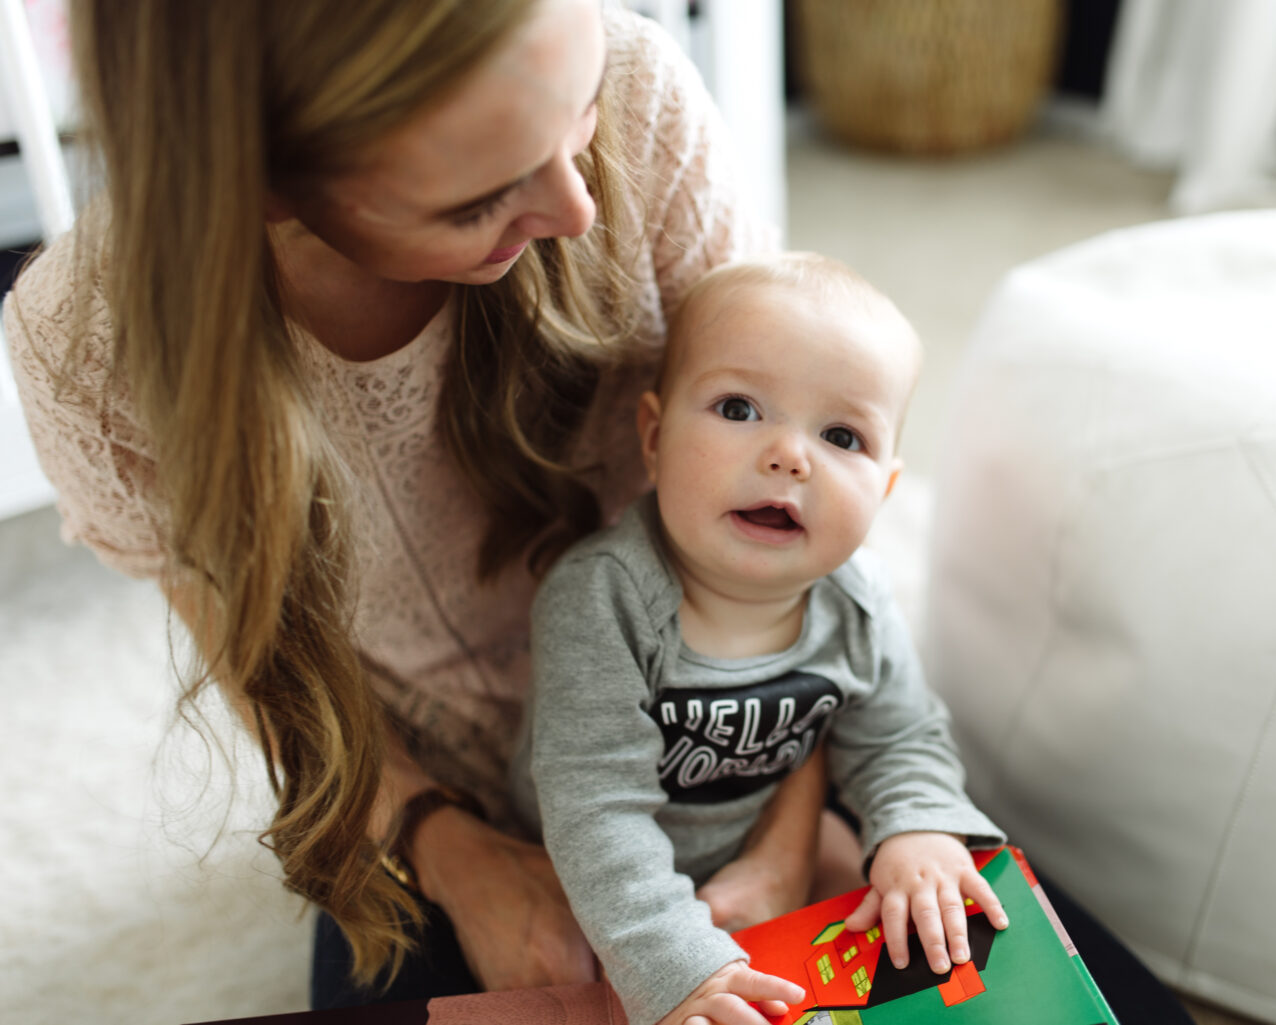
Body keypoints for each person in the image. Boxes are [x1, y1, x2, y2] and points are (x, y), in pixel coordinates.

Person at [2, 1, 1197, 1022]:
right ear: (266, 185)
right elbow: (263, 653)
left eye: (575, 122)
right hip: (437, 788)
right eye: (481, 197)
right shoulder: (84, 348)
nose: (578, 209)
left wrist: (799, 844)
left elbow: (863, 675)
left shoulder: (637, 95)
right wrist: (448, 849)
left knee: (1071, 989)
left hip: (754, 736)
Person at [516, 252, 1013, 1025]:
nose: (790, 455)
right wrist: (680, 965)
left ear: (886, 489)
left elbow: (899, 735)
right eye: (740, 408)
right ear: (654, 437)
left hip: (761, 832)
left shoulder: (857, 600)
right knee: (571, 981)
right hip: (595, 873)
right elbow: (597, 813)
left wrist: (918, 825)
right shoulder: (604, 599)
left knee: (905, 905)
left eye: (842, 434)